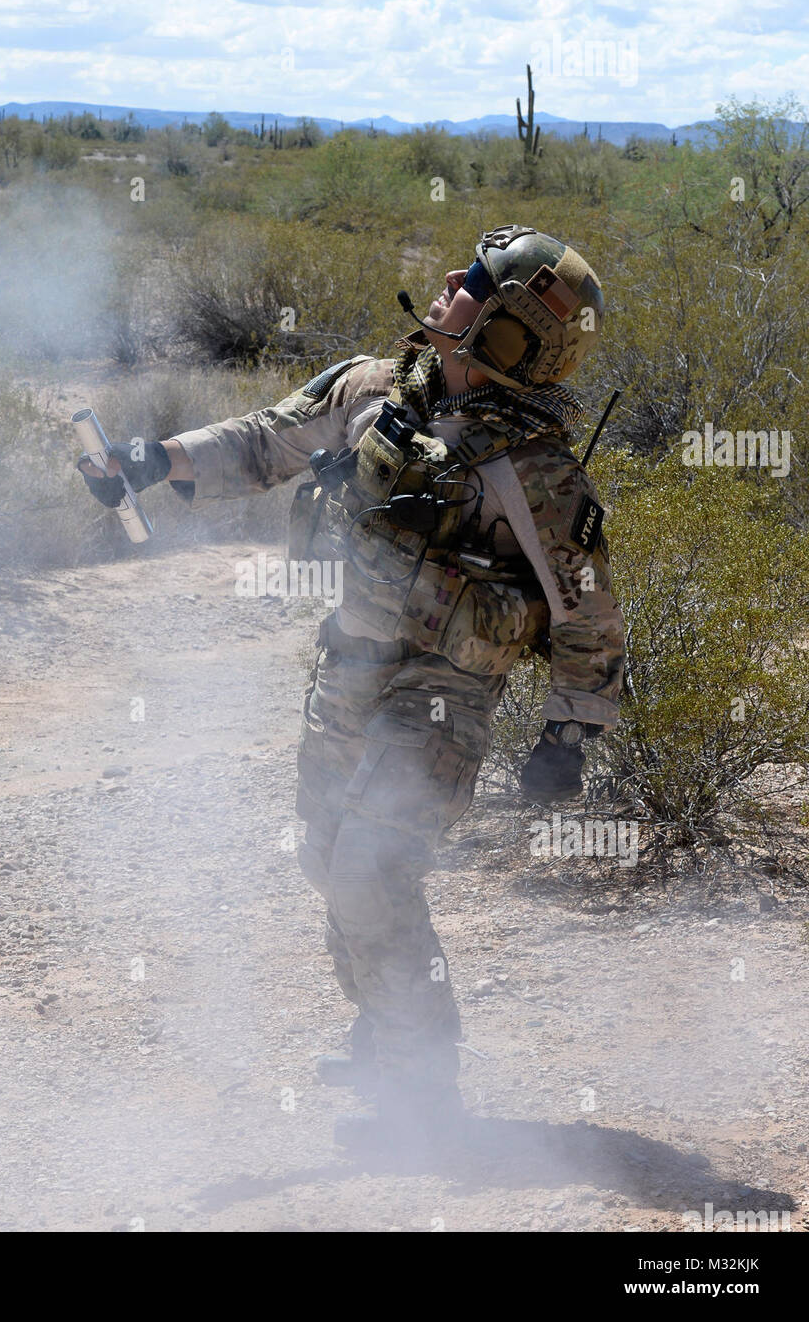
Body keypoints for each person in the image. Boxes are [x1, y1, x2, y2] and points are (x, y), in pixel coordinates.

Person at [79, 223, 626, 1157]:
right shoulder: (375, 392)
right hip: (351, 664)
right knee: (324, 856)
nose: (451, 280)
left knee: (371, 871)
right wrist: (151, 458)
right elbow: (265, 444)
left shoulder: (537, 475)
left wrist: (567, 736)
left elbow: (587, 615)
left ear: (506, 332)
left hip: (445, 694)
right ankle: (386, 1022)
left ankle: (424, 1090)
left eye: (477, 284)